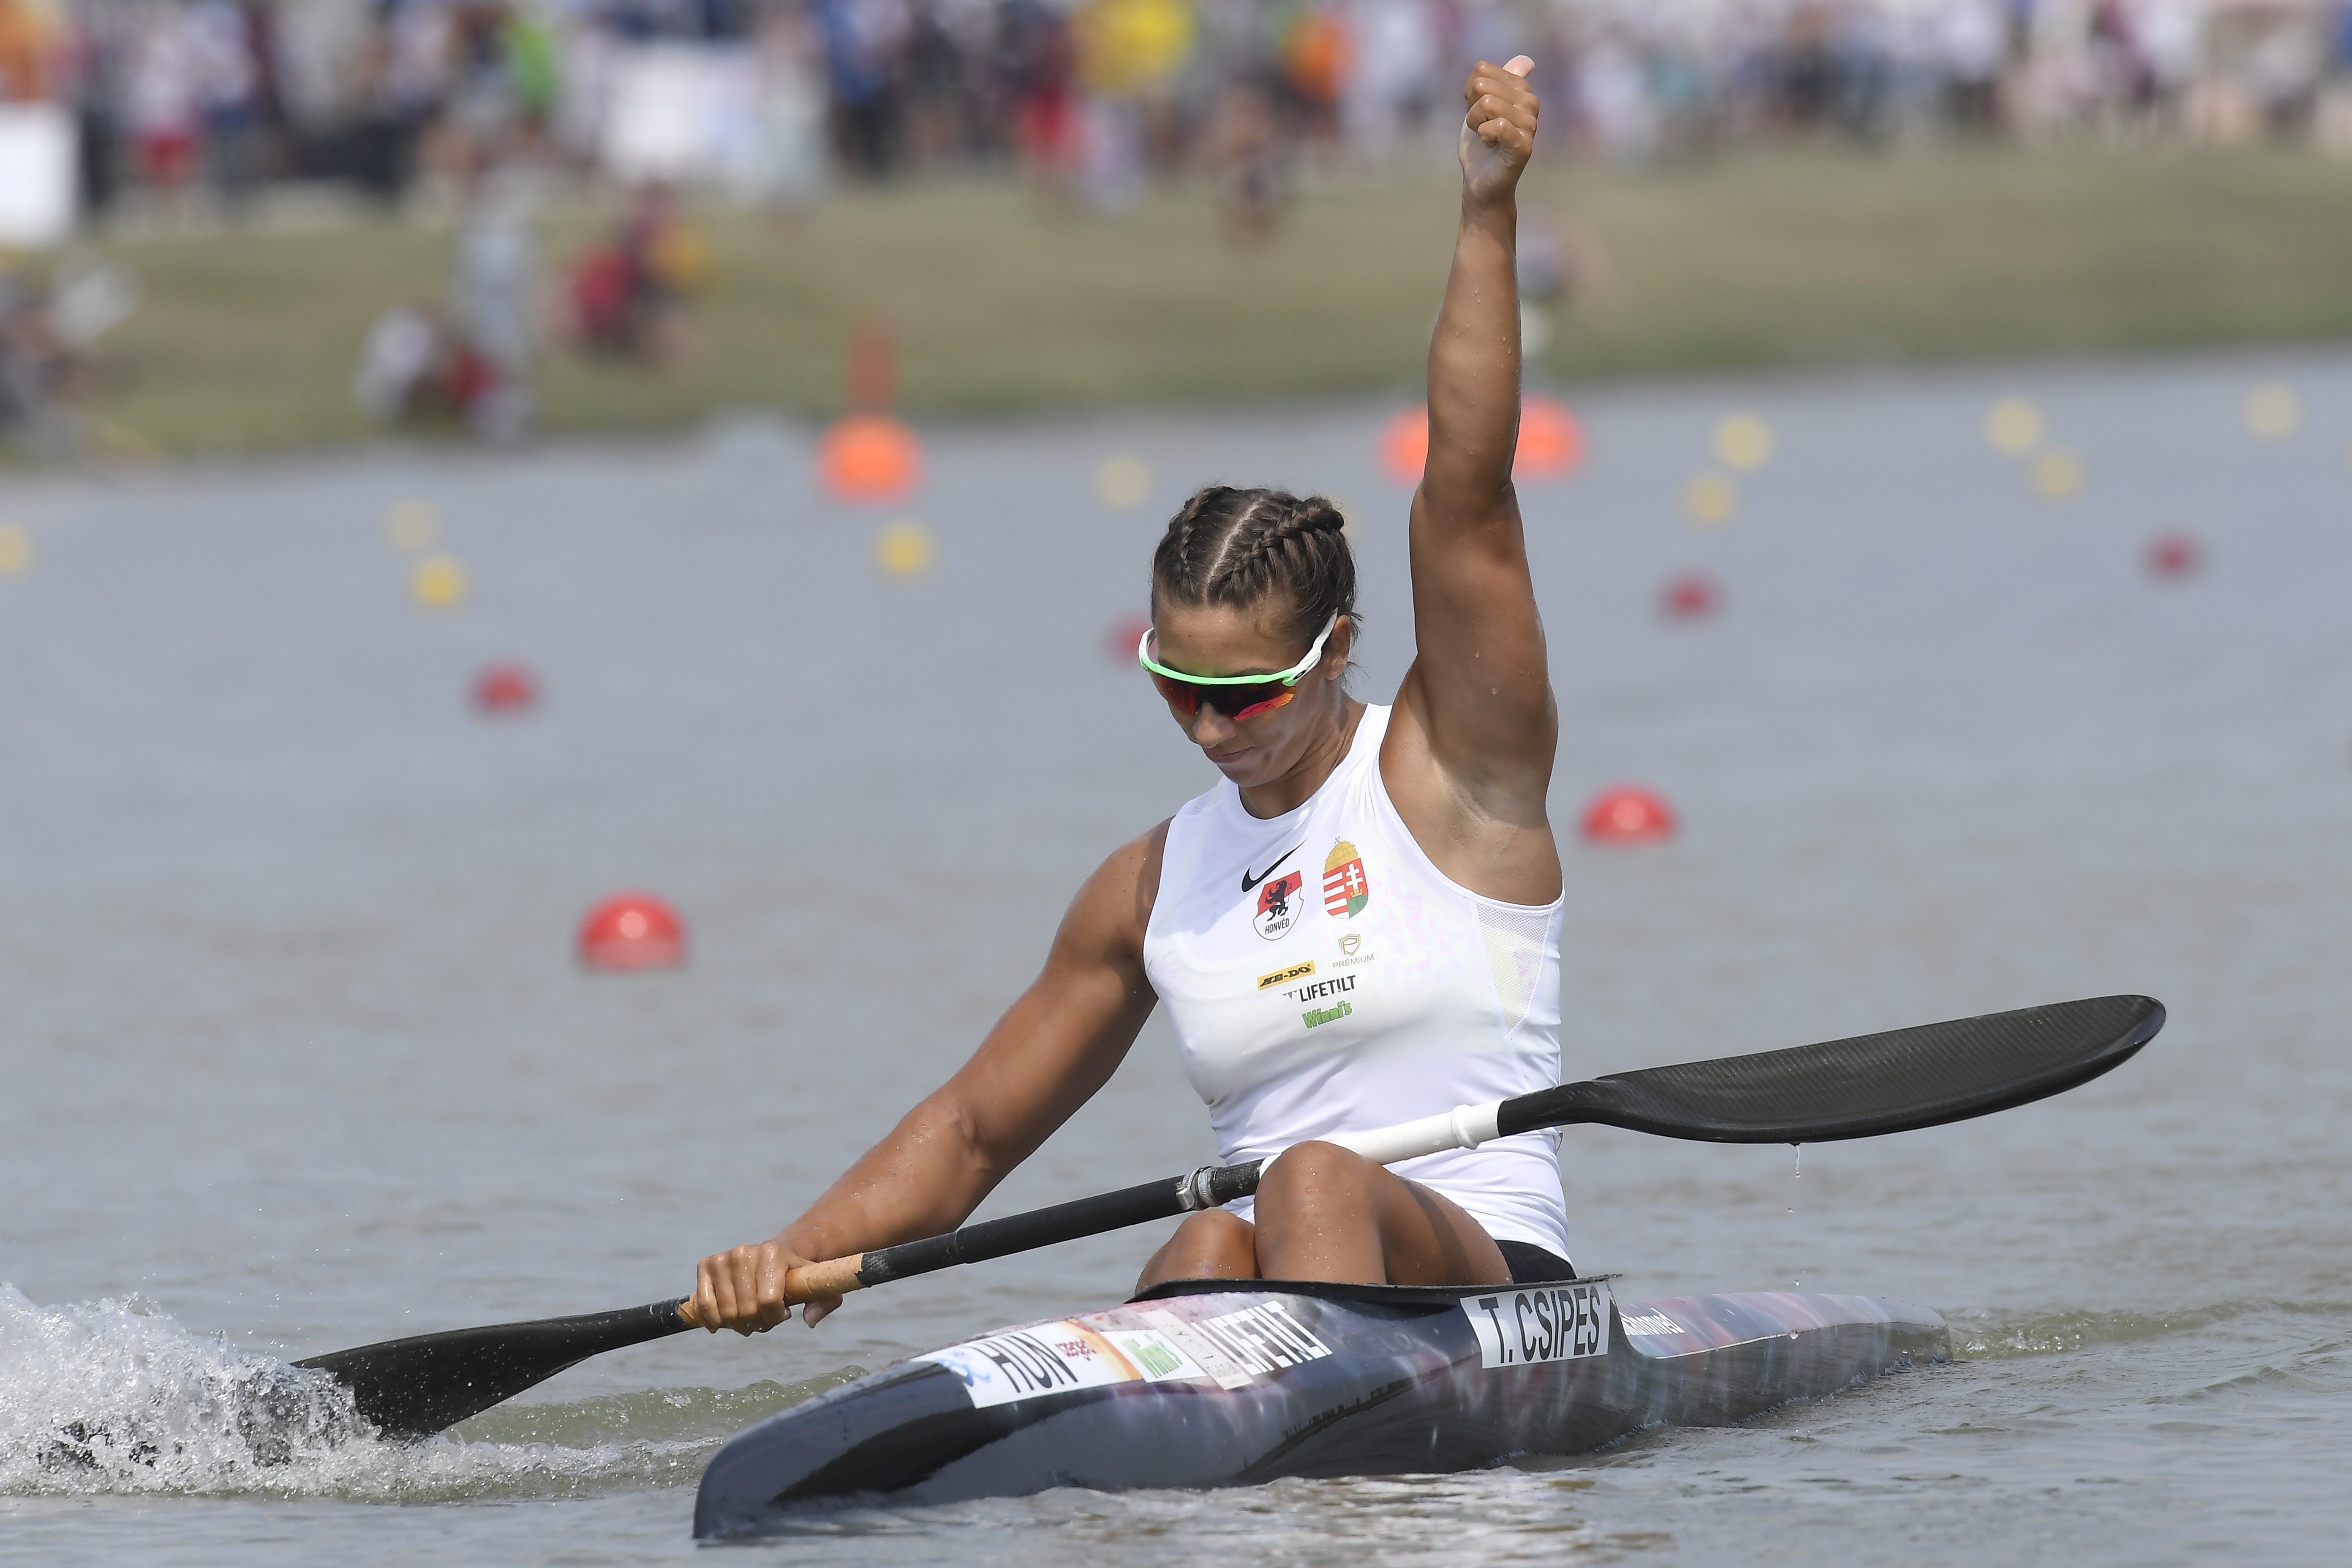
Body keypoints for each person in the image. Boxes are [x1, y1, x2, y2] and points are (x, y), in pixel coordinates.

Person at [686, 55, 1561, 1336]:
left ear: (1333, 651)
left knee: (1312, 1181)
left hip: (1488, 1287)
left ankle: (1309, 1457)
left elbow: (1469, 496)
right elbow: (975, 1130)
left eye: (1247, 695)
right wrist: (792, 1251)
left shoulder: (1455, 774)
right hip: (1275, 1288)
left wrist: (1488, 211)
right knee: (1211, 1234)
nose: (1208, 730)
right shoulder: (1150, 886)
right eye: (1175, 688)